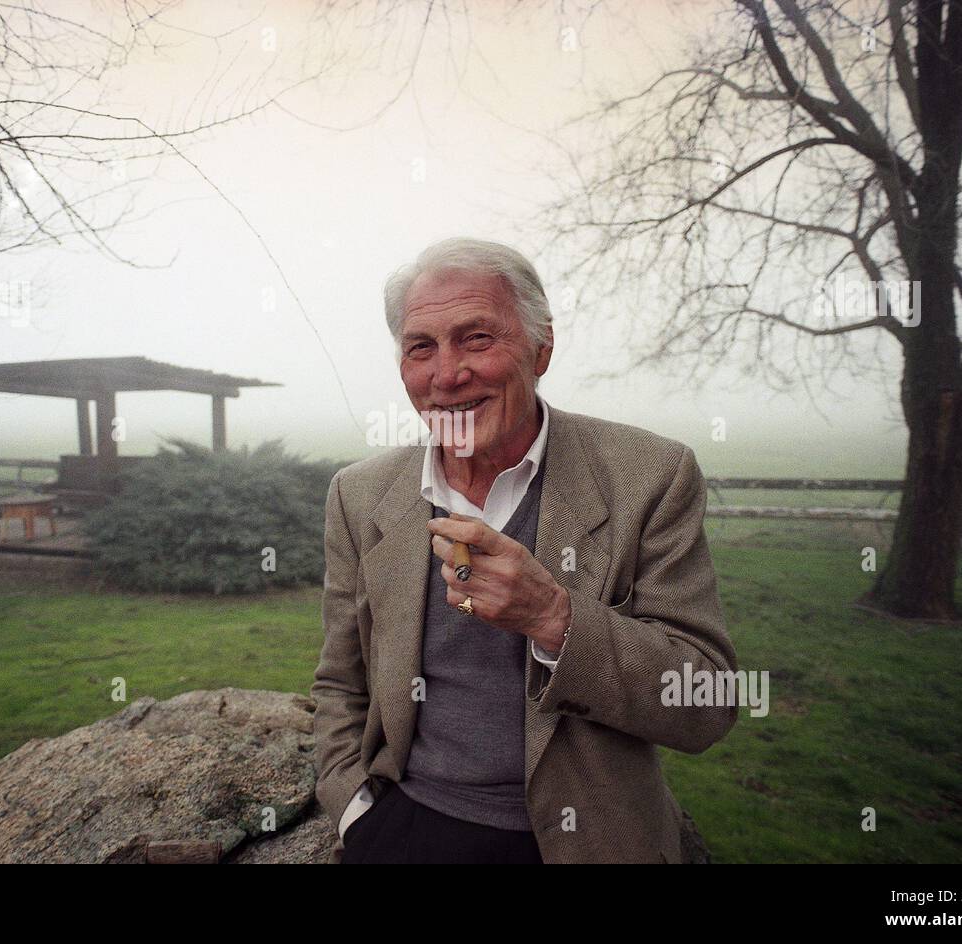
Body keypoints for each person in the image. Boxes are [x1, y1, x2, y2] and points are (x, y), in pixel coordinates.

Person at [312, 237, 738, 863]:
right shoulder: (360, 493)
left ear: (542, 348)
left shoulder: (650, 476)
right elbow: (339, 684)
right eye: (420, 347)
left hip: (585, 841)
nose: (447, 374)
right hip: (407, 829)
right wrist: (356, 811)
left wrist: (554, 618)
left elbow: (706, 700)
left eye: (477, 338)